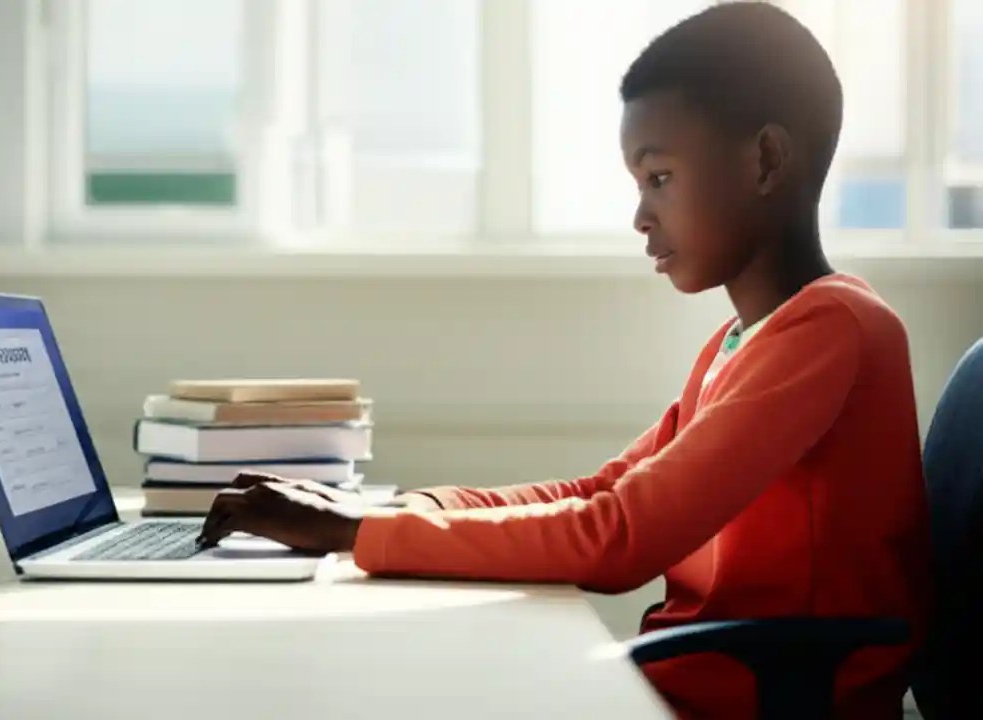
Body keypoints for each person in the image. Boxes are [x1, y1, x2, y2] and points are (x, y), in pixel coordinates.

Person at [200, 3, 929, 717]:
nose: (641, 216)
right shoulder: (742, 341)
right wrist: (396, 511)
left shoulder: (830, 330)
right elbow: (605, 487)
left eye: (660, 178)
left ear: (765, 159)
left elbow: (618, 538)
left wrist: (356, 535)